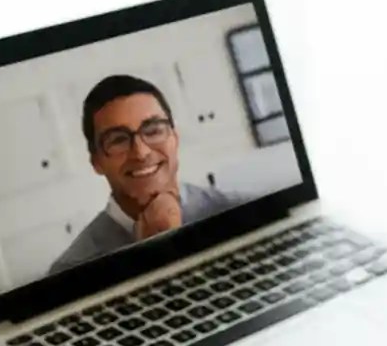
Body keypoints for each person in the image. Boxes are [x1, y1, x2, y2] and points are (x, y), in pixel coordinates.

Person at [49, 75, 244, 275]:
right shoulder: (70, 271)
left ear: (175, 138)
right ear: (96, 162)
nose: (141, 153)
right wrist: (148, 258)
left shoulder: (238, 211)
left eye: (152, 131)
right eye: (118, 140)